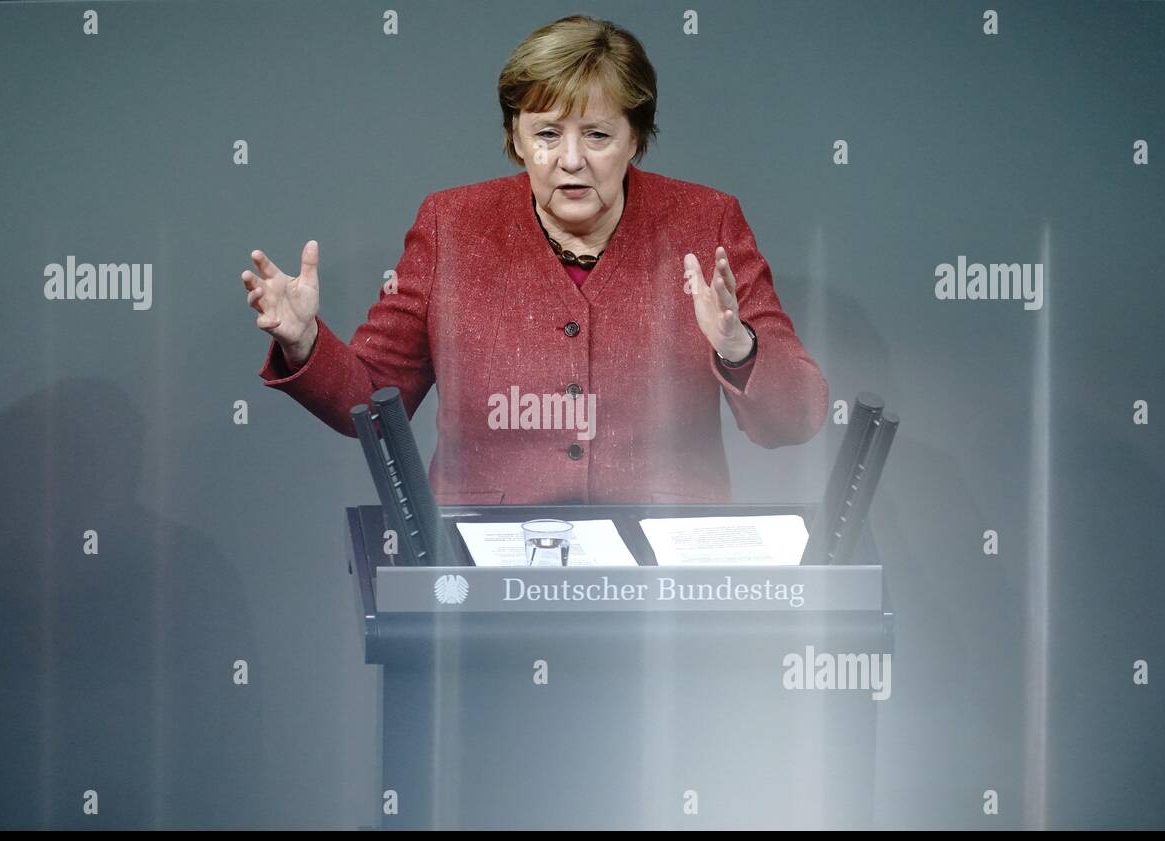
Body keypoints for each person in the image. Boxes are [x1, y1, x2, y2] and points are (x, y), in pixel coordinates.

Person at [241, 14, 828, 506]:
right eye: (547, 133)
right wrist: (304, 342)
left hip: (662, 580)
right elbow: (369, 403)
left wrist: (738, 347)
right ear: (516, 137)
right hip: (483, 566)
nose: (570, 159)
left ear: (635, 138)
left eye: (597, 135)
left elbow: (797, 419)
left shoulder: (706, 222)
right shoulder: (453, 225)